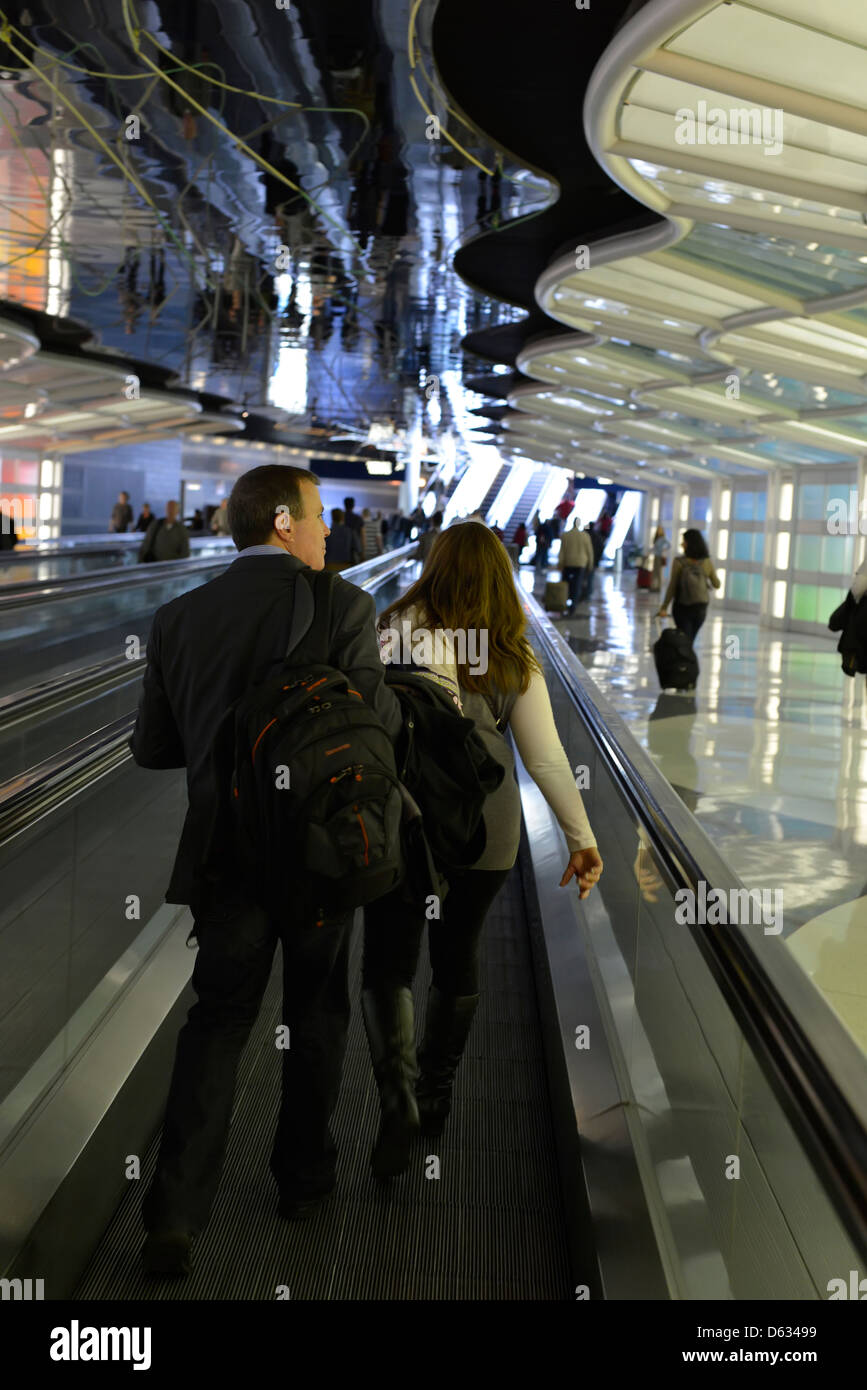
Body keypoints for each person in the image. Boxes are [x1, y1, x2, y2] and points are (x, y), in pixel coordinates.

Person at [129, 464, 401, 1277]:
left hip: (224, 859)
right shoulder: (344, 606)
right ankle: (302, 1181)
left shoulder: (178, 617)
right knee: (315, 1015)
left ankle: (175, 1214)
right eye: (317, 518)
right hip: (322, 855)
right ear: (284, 522)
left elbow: (152, 748)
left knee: (216, 1024)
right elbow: (376, 725)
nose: (327, 533)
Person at [362, 522, 603, 1175]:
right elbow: (545, 758)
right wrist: (581, 840)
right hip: (483, 827)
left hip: (399, 819)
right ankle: (432, 1093)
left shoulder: (390, 629)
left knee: (388, 960)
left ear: (434, 564)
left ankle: (395, 1100)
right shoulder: (507, 652)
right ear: (498, 575)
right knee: (457, 954)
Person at [657, 528, 721, 645]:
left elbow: (672, 586)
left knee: (685, 640)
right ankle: (687, 660)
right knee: (690, 640)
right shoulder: (706, 562)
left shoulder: (679, 562)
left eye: (684, 541)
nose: (682, 544)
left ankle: (684, 662)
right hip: (701, 607)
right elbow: (717, 584)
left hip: (682, 607)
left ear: (690, 543)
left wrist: (664, 607)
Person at [559, 518, 594, 611]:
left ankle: (564, 601)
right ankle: (573, 604)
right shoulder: (585, 536)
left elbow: (562, 551)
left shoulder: (566, 535)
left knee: (566, 583)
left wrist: (560, 564)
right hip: (580, 564)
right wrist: (590, 564)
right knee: (577, 584)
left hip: (568, 563)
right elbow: (589, 552)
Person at [324, 507, 362, 571]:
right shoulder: (349, 531)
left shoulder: (327, 533)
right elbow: (358, 549)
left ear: (332, 517)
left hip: (329, 566)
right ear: (342, 517)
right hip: (346, 566)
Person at [650, 527, 670, 593]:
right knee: (654, 572)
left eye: (660, 530)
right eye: (658, 530)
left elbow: (668, 545)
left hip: (659, 556)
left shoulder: (662, 538)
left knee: (658, 572)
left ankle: (658, 587)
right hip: (656, 556)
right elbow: (655, 547)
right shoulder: (656, 538)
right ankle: (653, 586)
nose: (659, 531)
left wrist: (663, 550)